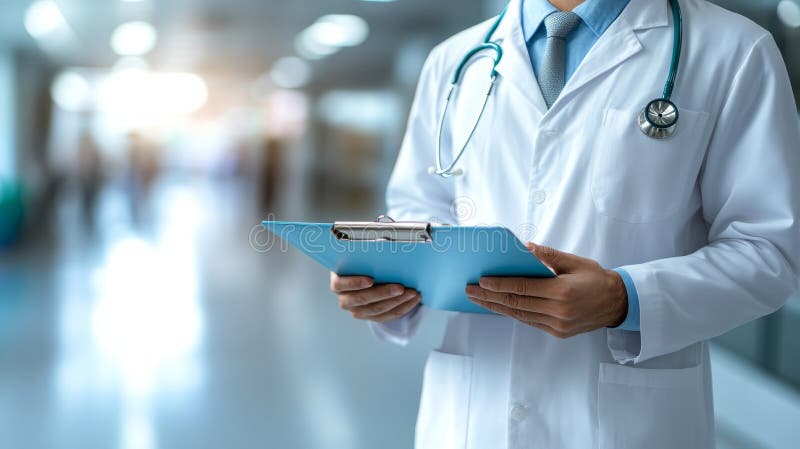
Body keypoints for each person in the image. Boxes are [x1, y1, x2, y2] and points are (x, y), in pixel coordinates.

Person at [330, 0, 800, 448]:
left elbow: (768, 250)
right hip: (473, 415)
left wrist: (627, 299)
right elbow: (419, 213)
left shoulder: (733, 50)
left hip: (628, 422)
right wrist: (384, 280)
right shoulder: (454, 61)